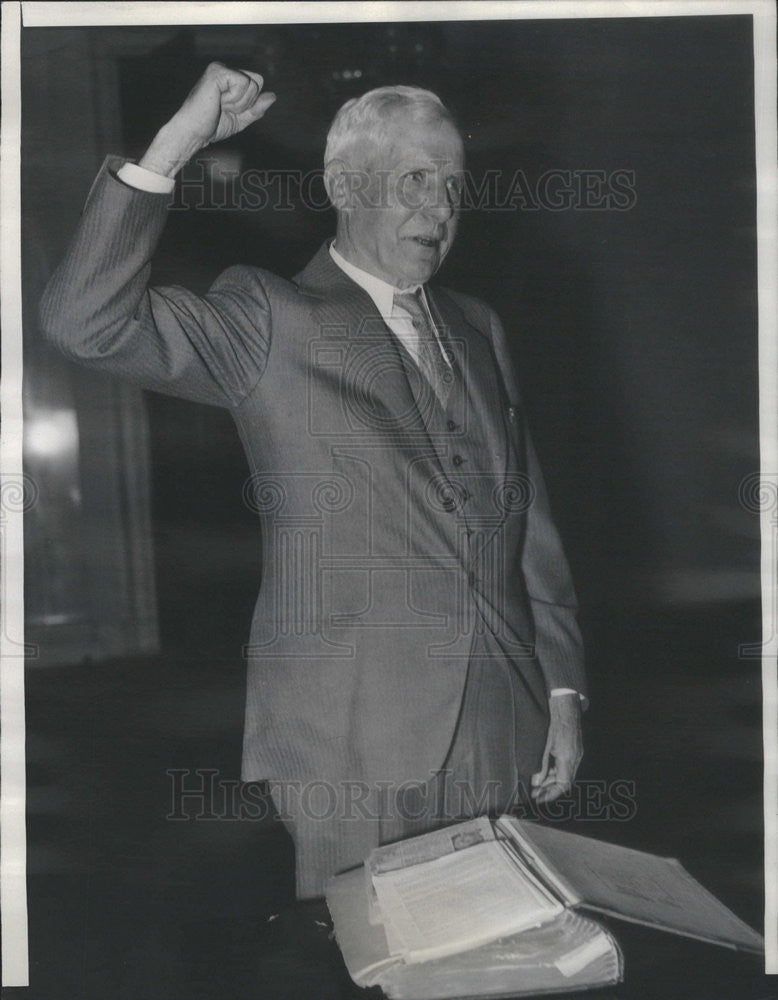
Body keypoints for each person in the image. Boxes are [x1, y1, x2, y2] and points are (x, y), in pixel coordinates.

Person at [39, 63, 586, 901]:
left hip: (502, 728)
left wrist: (562, 689)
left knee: (505, 954)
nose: (440, 209)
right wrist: (176, 145)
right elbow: (85, 322)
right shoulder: (272, 319)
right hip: (352, 747)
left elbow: (528, 525)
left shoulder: (479, 327)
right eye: (414, 180)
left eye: (452, 186)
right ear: (343, 184)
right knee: (372, 956)